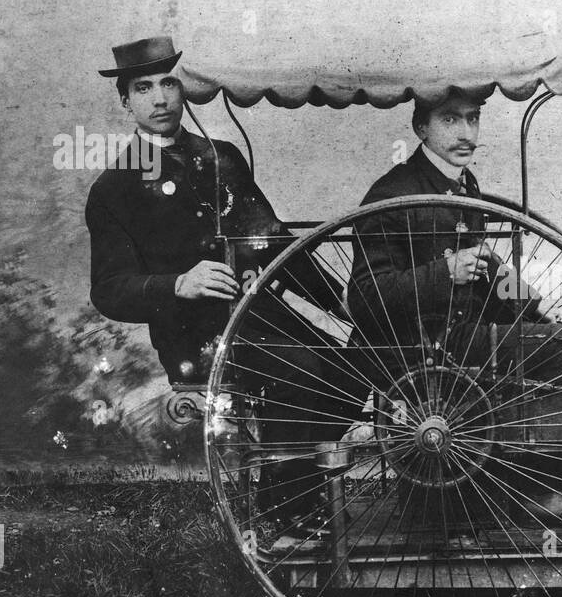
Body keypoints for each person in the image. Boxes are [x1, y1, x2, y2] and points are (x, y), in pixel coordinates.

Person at [85, 36, 362, 529]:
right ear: (125, 100)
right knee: (303, 372)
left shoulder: (223, 157)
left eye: (169, 82)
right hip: (195, 335)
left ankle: (290, 489)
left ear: (182, 89)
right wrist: (177, 284)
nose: (161, 97)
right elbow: (108, 289)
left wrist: (340, 302)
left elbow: (276, 242)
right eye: (144, 87)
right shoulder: (115, 188)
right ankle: (288, 510)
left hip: (262, 316)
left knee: (355, 367)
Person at [348, 89, 562, 520]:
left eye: (473, 119)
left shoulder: (459, 184)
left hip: (455, 338)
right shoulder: (394, 195)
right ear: (420, 126)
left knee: (561, 342)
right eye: (450, 120)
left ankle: (503, 486)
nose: (466, 133)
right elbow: (365, 297)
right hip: (423, 348)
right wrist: (446, 274)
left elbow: (484, 262)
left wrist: (530, 310)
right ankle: (525, 492)